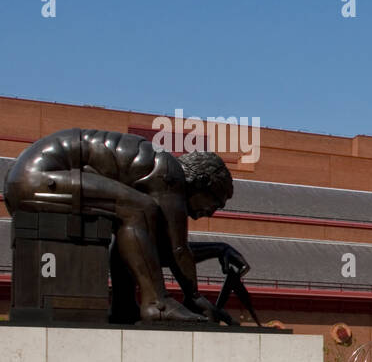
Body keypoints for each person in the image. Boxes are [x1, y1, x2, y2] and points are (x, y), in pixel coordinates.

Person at [2, 128, 243, 323]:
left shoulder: (156, 167)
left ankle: (124, 305)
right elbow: (177, 250)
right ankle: (157, 304)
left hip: (26, 179)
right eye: (213, 203)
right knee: (138, 209)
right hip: (38, 177)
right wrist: (195, 297)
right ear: (201, 181)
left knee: (133, 226)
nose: (208, 213)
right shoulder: (170, 173)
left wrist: (217, 249)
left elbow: (154, 250)